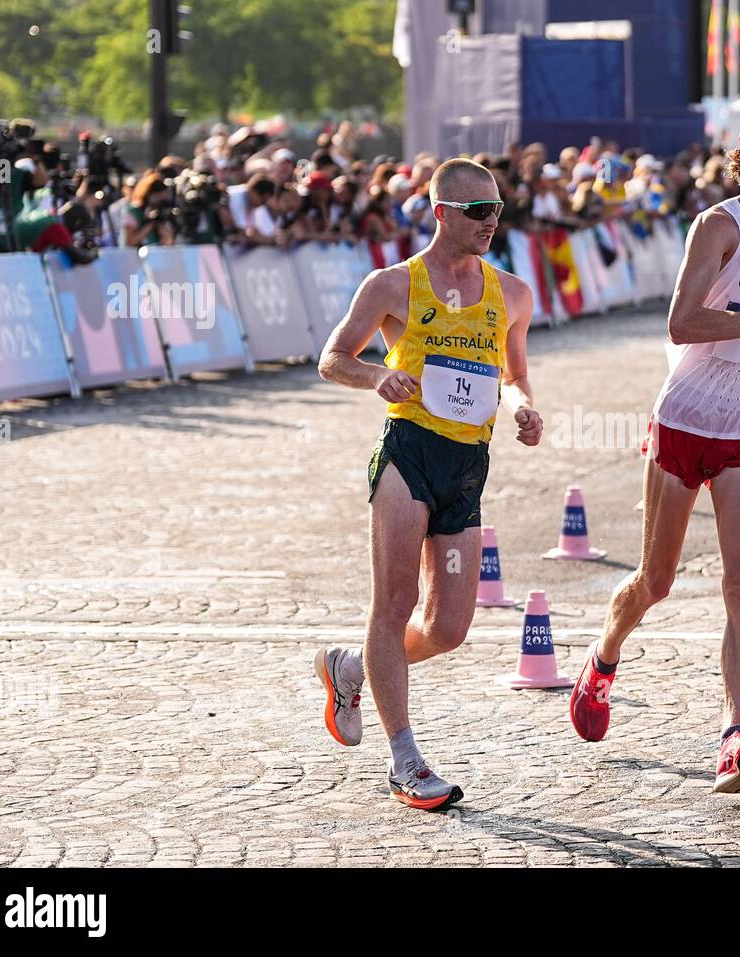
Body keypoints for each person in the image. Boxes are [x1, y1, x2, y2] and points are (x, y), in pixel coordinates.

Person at [567, 109, 740, 794]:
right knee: (655, 582)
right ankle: (602, 661)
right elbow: (683, 323)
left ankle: (732, 736)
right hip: (685, 423)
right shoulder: (719, 225)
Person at [314, 158, 542, 811]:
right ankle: (406, 761)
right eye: (478, 212)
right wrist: (375, 377)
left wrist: (524, 405)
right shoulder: (394, 285)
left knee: (447, 626)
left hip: (468, 464)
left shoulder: (513, 293)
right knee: (393, 603)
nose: (491, 222)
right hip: (409, 455)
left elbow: (516, 370)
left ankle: (353, 668)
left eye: (497, 211)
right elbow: (333, 357)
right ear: (441, 213)